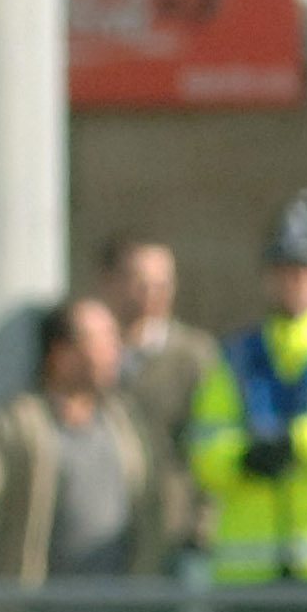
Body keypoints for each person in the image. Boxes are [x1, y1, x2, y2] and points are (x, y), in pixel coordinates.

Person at [0, 298, 169, 602]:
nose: (115, 351)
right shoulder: (18, 424)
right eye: (102, 340)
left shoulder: (125, 423)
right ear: (62, 354)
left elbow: (151, 506)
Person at [188, 192, 307, 583]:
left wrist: (299, 442)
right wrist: (244, 457)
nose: (293, 280)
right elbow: (203, 445)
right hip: (252, 568)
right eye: (282, 268)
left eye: (306, 268)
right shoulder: (236, 357)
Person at [98, 233, 218, 562]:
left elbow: (212, 445)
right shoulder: (90, 357)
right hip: (102, 531)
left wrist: (202, 525)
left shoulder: (195, 358)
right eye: (140, 281)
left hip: (172, 533)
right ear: (110, 283)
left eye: (163, 283)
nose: (152, 294)